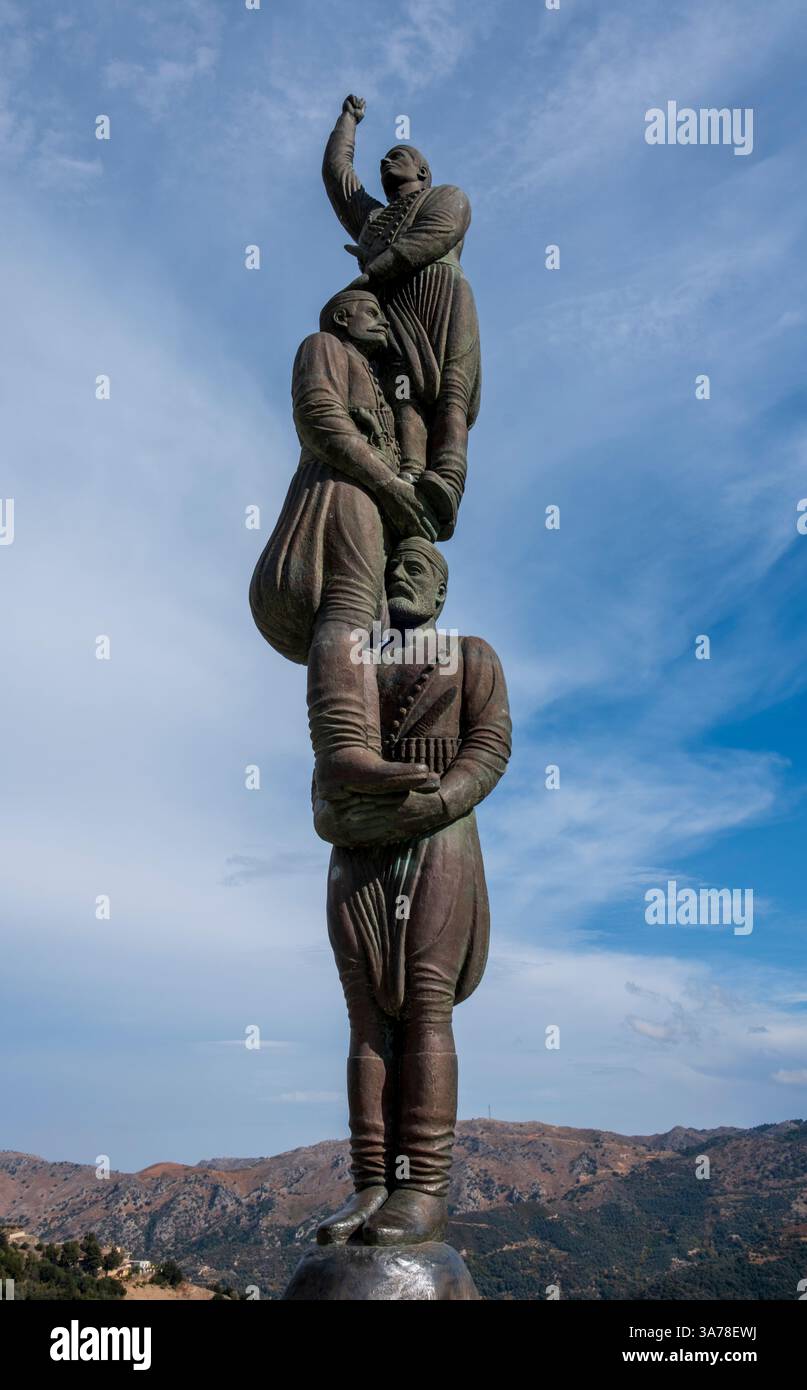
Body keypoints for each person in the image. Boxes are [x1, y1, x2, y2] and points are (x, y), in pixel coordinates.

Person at [313, 538, 511, 1245]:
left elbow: (489, 746)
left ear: (441, 591)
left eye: (418, 567)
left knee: (425, 1005)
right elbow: (326, 777)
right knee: (365, 1016)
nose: (400, 572)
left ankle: (422, 1189)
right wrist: (340, 813)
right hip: (358, 852)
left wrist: (439, 803)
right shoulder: (348, 662)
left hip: (438, 840)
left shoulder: (474, 657)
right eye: (392, 564)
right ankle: (370, 1182)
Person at [249, 288, 440, 798]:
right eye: (371, 313)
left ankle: (365, 747)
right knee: (348, 607)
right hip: (343, 490)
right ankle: (342, 752)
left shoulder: (377, 375)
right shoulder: (323, 346)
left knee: (369, 625)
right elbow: (319, 417)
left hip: (374, 501)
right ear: (341, 317)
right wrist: (385, 482)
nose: (379, 322)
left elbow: (407, 431)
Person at [322, 96, 482, 541]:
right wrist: (348, 122)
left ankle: (448, 481)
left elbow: (432, 239)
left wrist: (372, 270)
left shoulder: (448, 197)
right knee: (402, 393)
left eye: (399, 157)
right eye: (383, 158)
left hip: (443, 299)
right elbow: (338, 177)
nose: (386, 161)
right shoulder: (373, 219)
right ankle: (411, 475)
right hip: (395, 313)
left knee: (452, 391)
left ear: (423, 172)